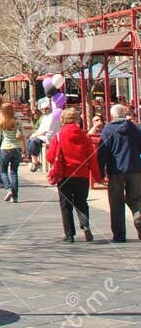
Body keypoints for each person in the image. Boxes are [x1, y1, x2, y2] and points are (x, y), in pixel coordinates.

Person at [47, 105, 96, 244]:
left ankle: (69, 235)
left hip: (65, 174)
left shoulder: (58, 136)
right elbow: (91, 157)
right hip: (82, 174)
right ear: (77, 119)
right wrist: (97, 175)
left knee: (65, 205)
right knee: (81, 202)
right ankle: (85, 224)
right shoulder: (85, 136)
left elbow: (50, 156)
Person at [97, 103, 141, 243]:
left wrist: (100, 171)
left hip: (116, 170)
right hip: (135, 168)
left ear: (113, 115)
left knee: (116, 202)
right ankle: (138, 215)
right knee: (135, 198)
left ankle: (119, 234)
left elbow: (102, 152)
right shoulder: (134, 128)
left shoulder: (108, 130)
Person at [0, 103, 24, 203]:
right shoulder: (17, 121)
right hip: (16, 148)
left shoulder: (1, 122)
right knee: (14, 172)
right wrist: (25, 150)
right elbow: (23, 136)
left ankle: (8, 189)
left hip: (5, 148)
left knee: (3, 171)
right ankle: (15, 197)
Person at [27, 99, 55, 172]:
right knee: (29, 139)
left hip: (48, 136)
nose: (44, 110)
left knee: (34, 142)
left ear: (49, 109)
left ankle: (35, 162)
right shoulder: (44, 117)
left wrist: (35, 135)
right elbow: (40, 129)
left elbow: (46, 130)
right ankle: (33, 160)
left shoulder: (51, 117)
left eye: (46, 109)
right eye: (42, 109)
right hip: (42, 134)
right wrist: (34, 134)